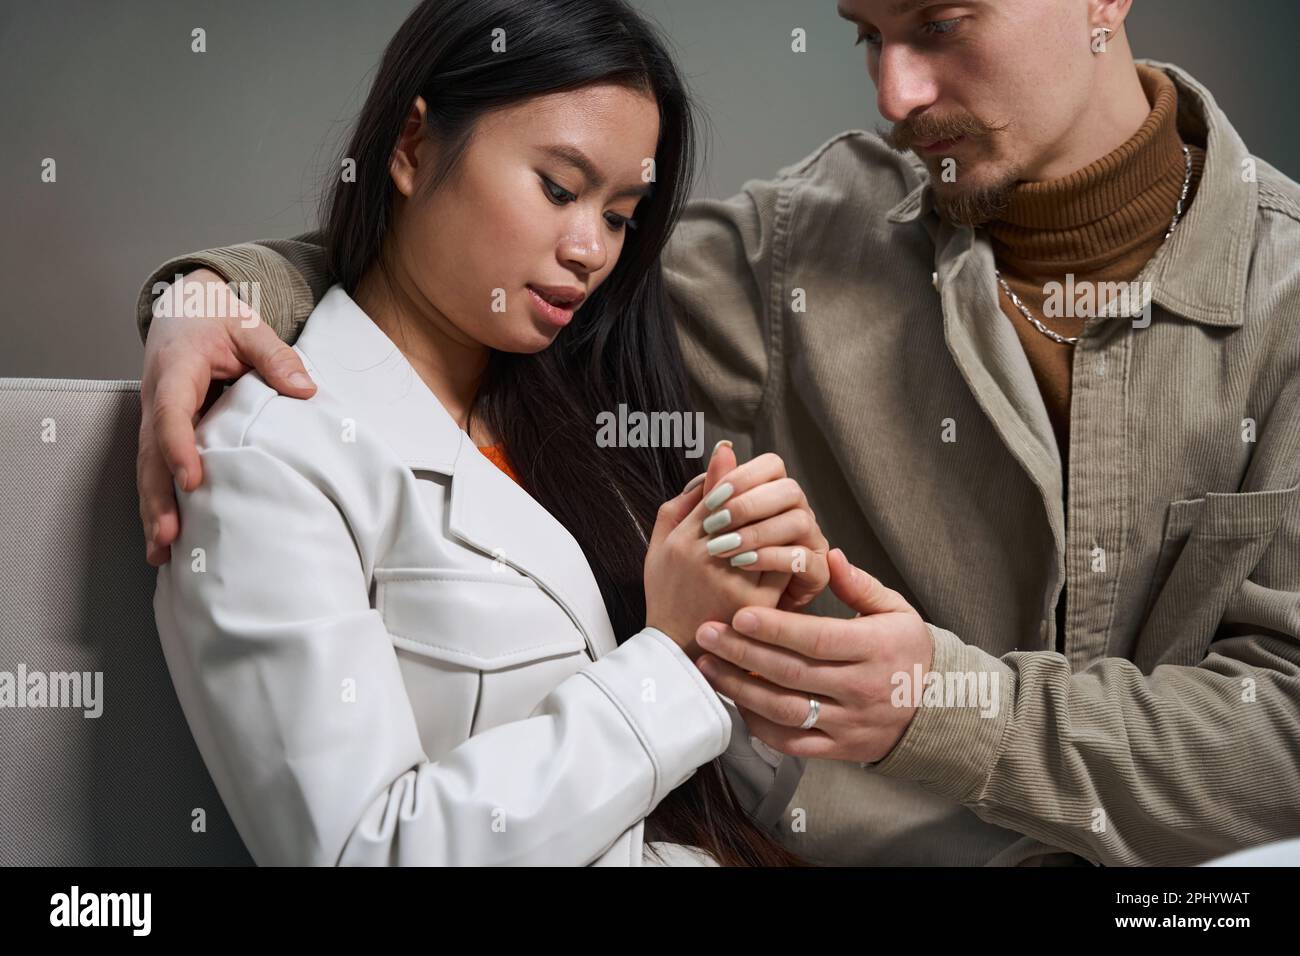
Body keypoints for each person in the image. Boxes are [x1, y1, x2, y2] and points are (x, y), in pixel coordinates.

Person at [136, 0, 1300, 866]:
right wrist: (206, 294)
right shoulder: (801, 253)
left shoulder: (1287, 294)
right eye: (863, 33)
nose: (893, 93)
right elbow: (464, 286)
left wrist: (952, 708)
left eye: (940, 23)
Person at [149, 0, 834, 867]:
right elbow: (368, 854)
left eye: (621, 215)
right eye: (558, 188)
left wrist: (739, 645)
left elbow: (711, 812)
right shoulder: (270, 462)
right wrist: (667, 659)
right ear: (410, 147)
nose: (591, 249)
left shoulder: (590, 424)